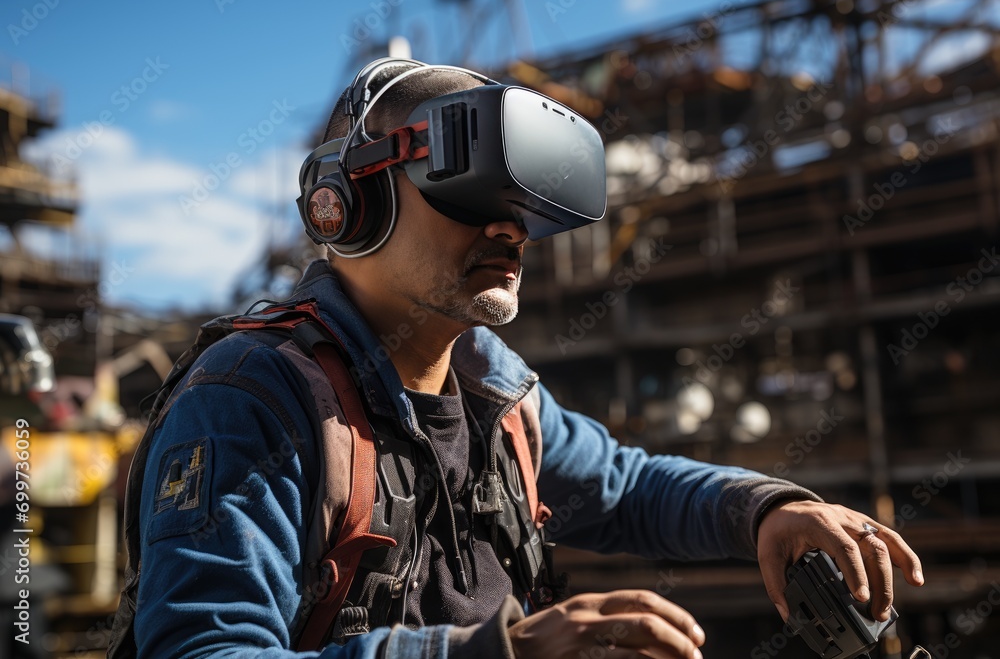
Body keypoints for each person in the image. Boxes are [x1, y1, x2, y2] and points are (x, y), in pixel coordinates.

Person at [109, 59, 923, 659]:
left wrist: (766, 511)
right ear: (353, 201)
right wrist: (500, 651)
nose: (511, 232)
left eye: (525, 207)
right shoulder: (252, 400)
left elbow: (628, 487)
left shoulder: (493, 389)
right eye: (471, 194)